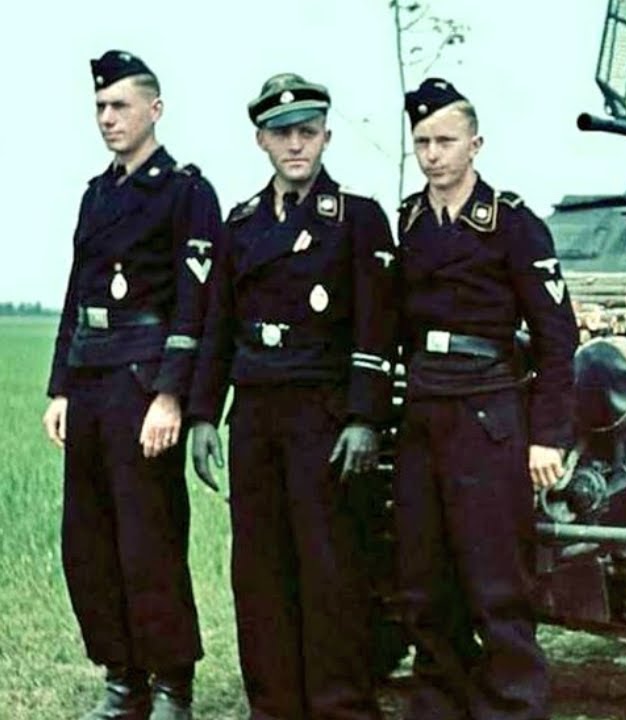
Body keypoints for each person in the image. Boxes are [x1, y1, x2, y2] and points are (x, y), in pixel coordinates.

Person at [186, 73, 396, 719]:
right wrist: (201, 415)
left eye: (307, 133)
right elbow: (216, 325)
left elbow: (377, 326)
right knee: (259, 569)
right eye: (283, 134)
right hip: (254, 414)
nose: (296, 145)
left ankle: (340, 706)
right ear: (262, 141)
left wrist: (364, 417)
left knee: (331, 566)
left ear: (326, 137)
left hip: (323, 414)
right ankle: (273, 705)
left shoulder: (357, 218)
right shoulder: (241, 223)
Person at [40, 49, 222, 720]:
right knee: (88, 544)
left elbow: (194, 302)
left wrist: (171, 395)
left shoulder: (185, 192)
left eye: (119, 106)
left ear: (155, 109)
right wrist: (60, 387)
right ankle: (124, 681)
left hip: (143, 385)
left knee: (149, 543)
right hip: (90, 381)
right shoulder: (98, 193)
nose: (108, 118)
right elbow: (75, 292)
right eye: (99, 108)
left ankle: (172, 682)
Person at [393, 77, 578, 720]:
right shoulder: (411, 221)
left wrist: (548, 435)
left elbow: (558, 337)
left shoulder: (513, 223)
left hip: (487, 411)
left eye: (445, 140)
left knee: (496, 580)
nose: (433, 154)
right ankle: (437, 704)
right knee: (425, 575)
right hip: (424, 412)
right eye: (422, 142)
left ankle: (512, 706)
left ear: (476, 144)